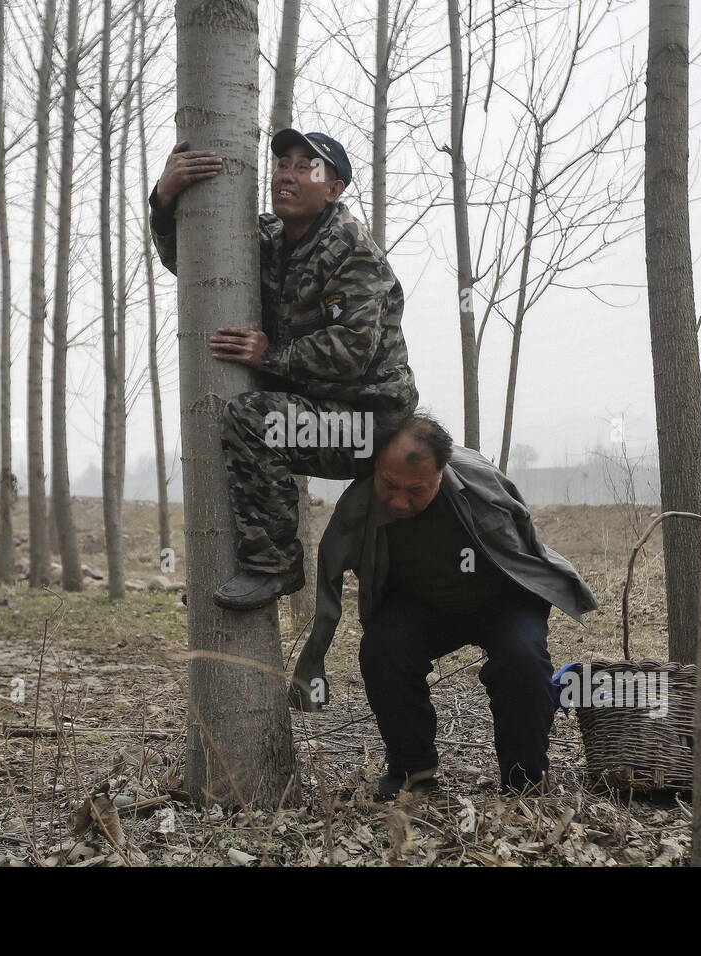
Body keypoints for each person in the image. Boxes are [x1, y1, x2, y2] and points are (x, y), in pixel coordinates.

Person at [148, 129, 417, 611]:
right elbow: (190, 264)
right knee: (255, 416)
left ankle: (275, 566)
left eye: (305, 167)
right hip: (318, 406)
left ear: (334, 189)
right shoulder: (269, 236)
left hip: (368, 422)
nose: (286, 176)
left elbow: (352, 351)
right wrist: (164, 201)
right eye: (281, 164)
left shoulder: (353, 251)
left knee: (255, 420)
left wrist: (268, 356)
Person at [289, 413, 599, 798]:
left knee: (523, 661)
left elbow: (524, 541)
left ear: (441, 472)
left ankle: (525, 778)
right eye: (390, 485)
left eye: (416, 490)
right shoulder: (360, 504)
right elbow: (330, 574)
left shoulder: (480, 483)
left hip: (503, 599)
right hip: (422, 604)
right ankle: (412, 773)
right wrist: (313, 663)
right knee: (382, 648)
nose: (400, 501)